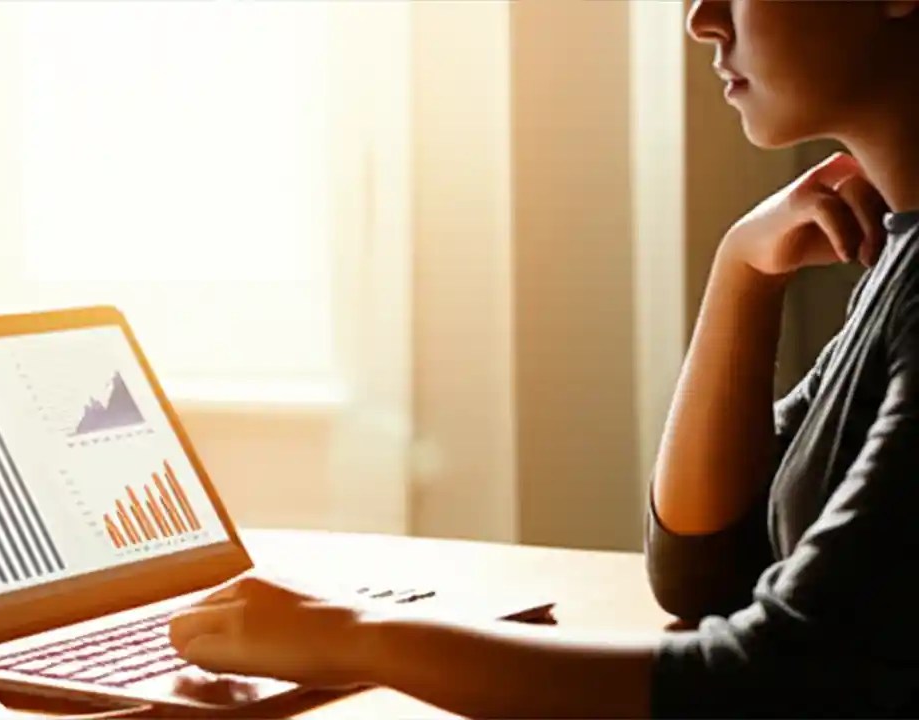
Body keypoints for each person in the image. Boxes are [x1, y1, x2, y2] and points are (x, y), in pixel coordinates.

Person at [166, 1, 919, 716]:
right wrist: (741, 272)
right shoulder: (900, 261)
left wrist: (354, 637)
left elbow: (779, 684)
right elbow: (708, 568)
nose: (701, 19)